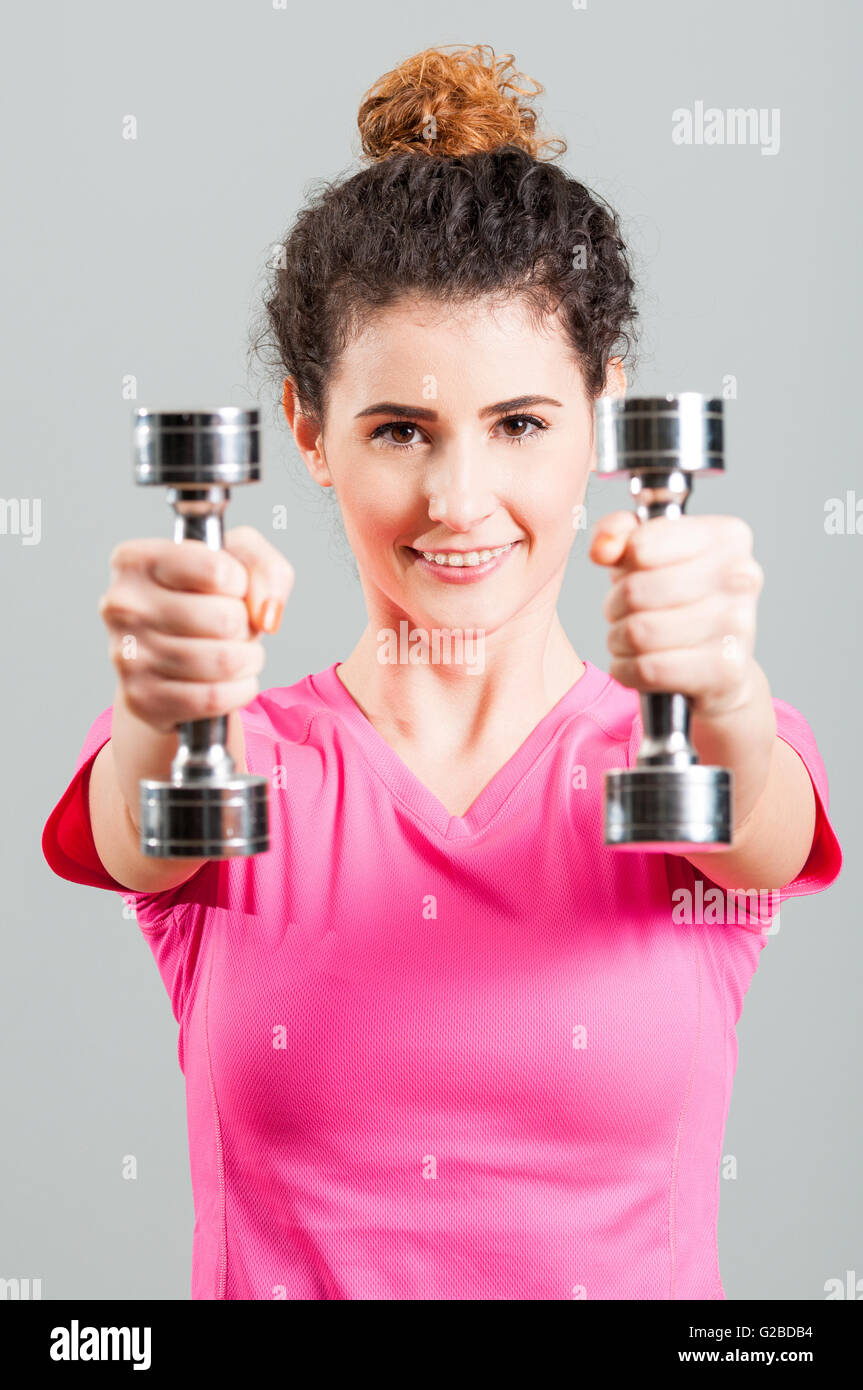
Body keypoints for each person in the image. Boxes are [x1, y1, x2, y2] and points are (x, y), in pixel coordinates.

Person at [43, 44, 842, 1301]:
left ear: (604, 413)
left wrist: (726, 695)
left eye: (519, 423)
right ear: (307, 428)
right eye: (400, 429)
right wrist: (159, 694)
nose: (459, 500)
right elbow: (135, 831)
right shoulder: (229, 758)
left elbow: (761, 823)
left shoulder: (688, 760)